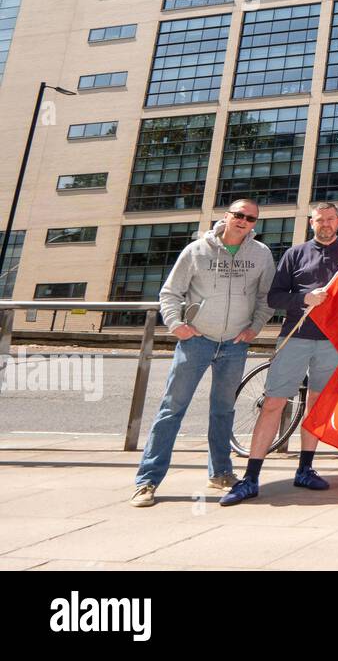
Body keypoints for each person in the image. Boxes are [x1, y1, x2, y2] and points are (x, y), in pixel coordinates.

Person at [131, 200, 275, 508]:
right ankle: (147, 481)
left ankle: (221, 472)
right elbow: (170, 292)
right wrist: (174, 324)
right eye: (239, 215)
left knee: (223, 411)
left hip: (235, 343)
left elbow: (266, 297)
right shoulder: (197, 251)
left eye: (250, 218)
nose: (244, 221)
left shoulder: (261, 255)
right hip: (196, 341)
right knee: (172, 410)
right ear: (226, 217)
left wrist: (255, 328)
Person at [221, 202, 338, 506]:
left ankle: (305, 468)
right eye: (320, 220)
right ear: (311, 223)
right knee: (273, 403)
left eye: (330, 220)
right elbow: (275, 297)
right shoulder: (295, 254)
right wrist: (304, 298)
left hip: (333, 341)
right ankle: (250, 477)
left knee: (317, 406)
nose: (326, 225)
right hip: (295, 337)